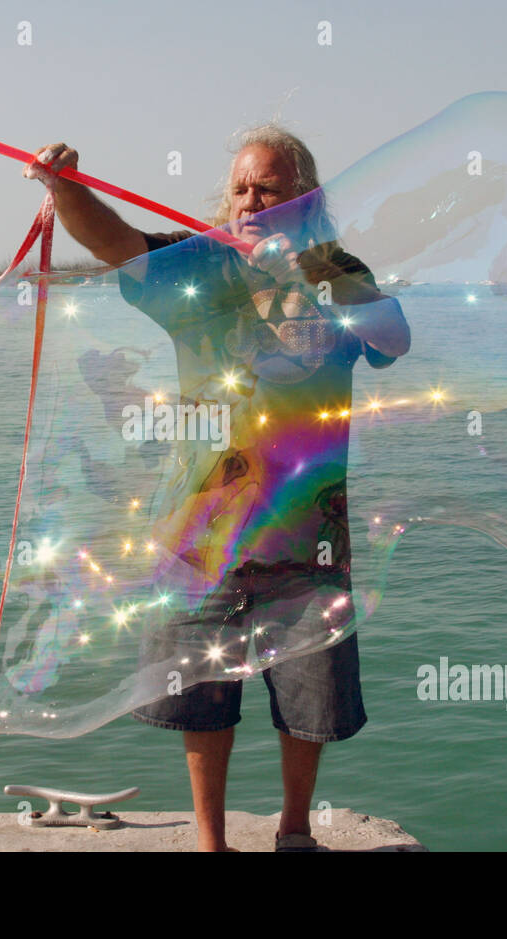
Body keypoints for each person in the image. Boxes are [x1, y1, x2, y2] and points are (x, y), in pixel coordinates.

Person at [24, 127, 409, 851]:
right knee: (201, 698)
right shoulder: (202, 263)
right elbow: (118, 242)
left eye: (267, 187)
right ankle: (211, 841)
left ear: (306, 198)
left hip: (308, 532)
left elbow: (394, 337)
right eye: (240, 187)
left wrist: (300, 272)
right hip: (202, 533)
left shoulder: (336, 269)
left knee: (309, 698)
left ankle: (295, 830)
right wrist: (66, 188)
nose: (250, 200)